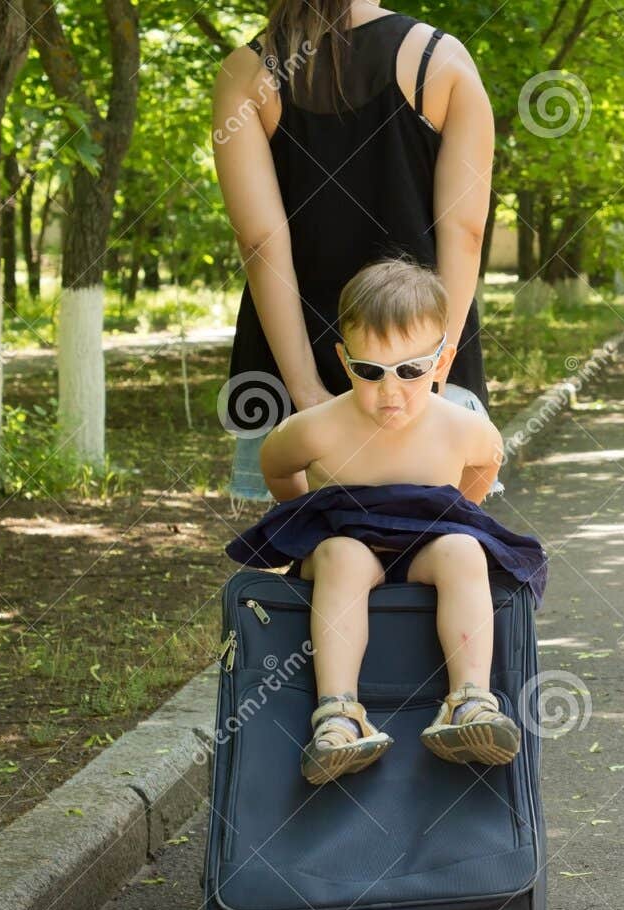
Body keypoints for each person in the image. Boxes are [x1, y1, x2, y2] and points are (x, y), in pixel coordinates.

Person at [225, 258, 547, 784]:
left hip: (426, 544)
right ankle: (338, 716)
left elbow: (481, 474)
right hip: (346, 546)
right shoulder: (315, 430)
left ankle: (470, 703)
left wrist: (454, 514)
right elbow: (277, 469)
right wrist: (311, 516)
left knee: (465, 549)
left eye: (412, 370)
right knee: (342, 555)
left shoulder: (464, 429)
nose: (390, 390)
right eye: (370, 371)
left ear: (442, 364)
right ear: (344, 360)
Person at [211, 0, 495, 500]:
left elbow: (260, 243)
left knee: (312, 556)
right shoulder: (441, 58)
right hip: (422, 353)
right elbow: (465, 230)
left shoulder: (246, 71)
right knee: (435, 543)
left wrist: (307, 394)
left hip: (290, 358)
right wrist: (428, 374)